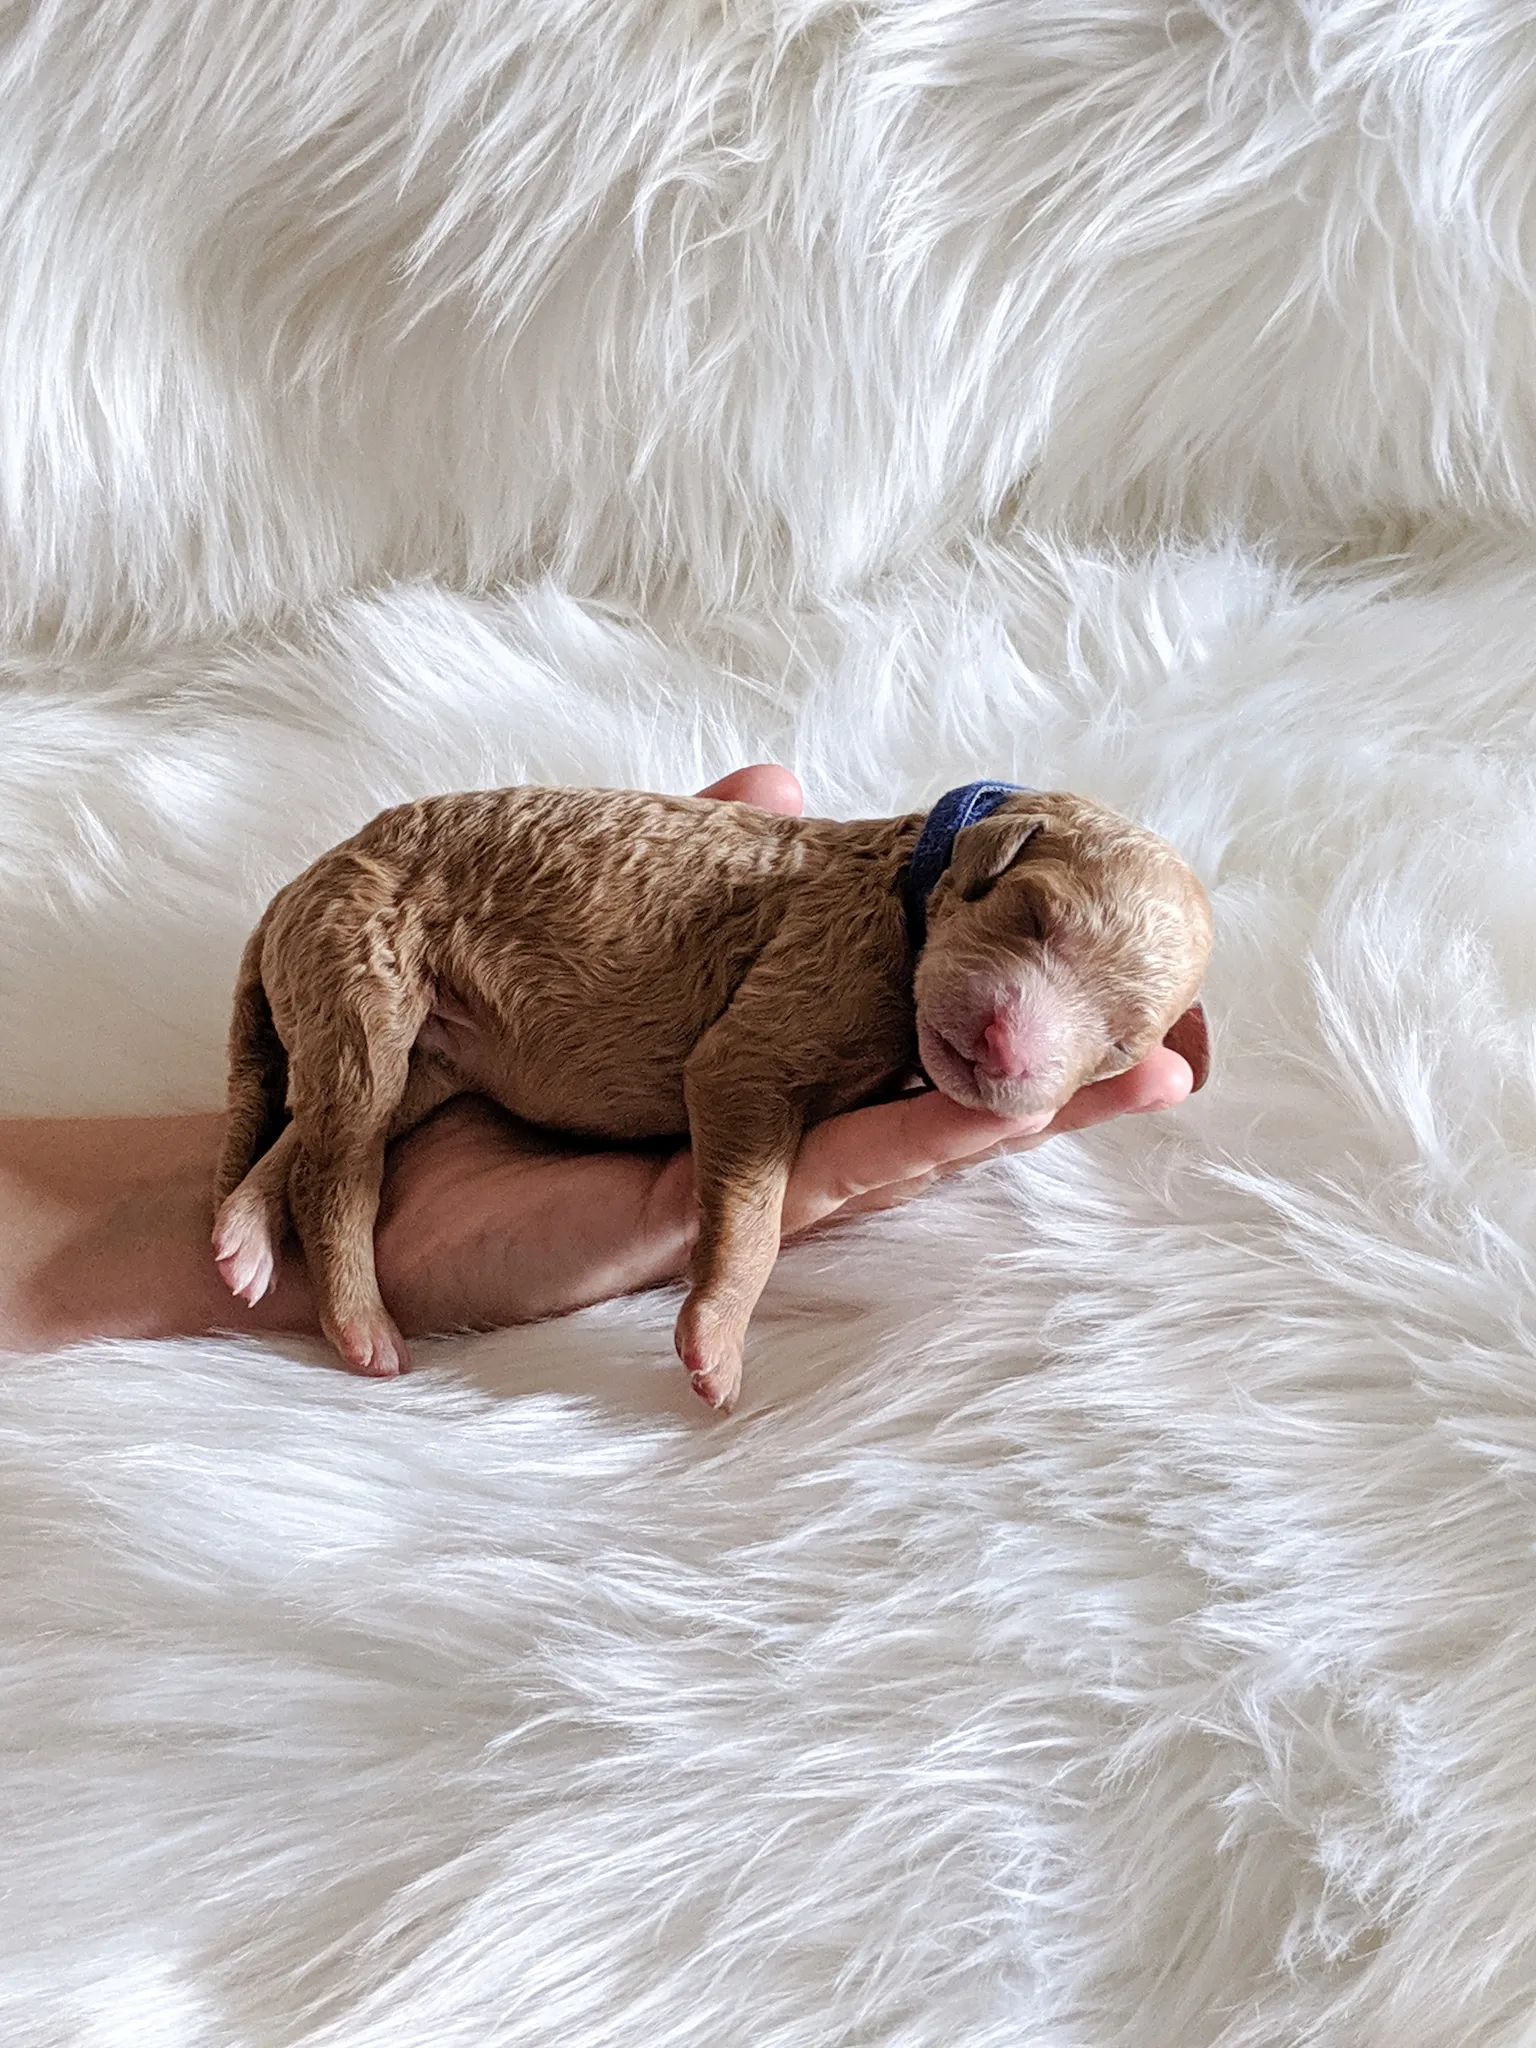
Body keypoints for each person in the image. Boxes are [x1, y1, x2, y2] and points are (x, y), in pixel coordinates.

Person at [0, 767, 1194, 1356]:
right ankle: (339, 1261)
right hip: (400, 906)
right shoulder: (862, 921)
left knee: (369, 1097)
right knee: (350, 1101)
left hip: (476, 1027)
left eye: (1108, 1036)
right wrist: (729, 1284)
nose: (1016, 1035)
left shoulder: (941, 996)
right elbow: (738, 1086)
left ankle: (266, 1189)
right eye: (1032, 923)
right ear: (983, 857)